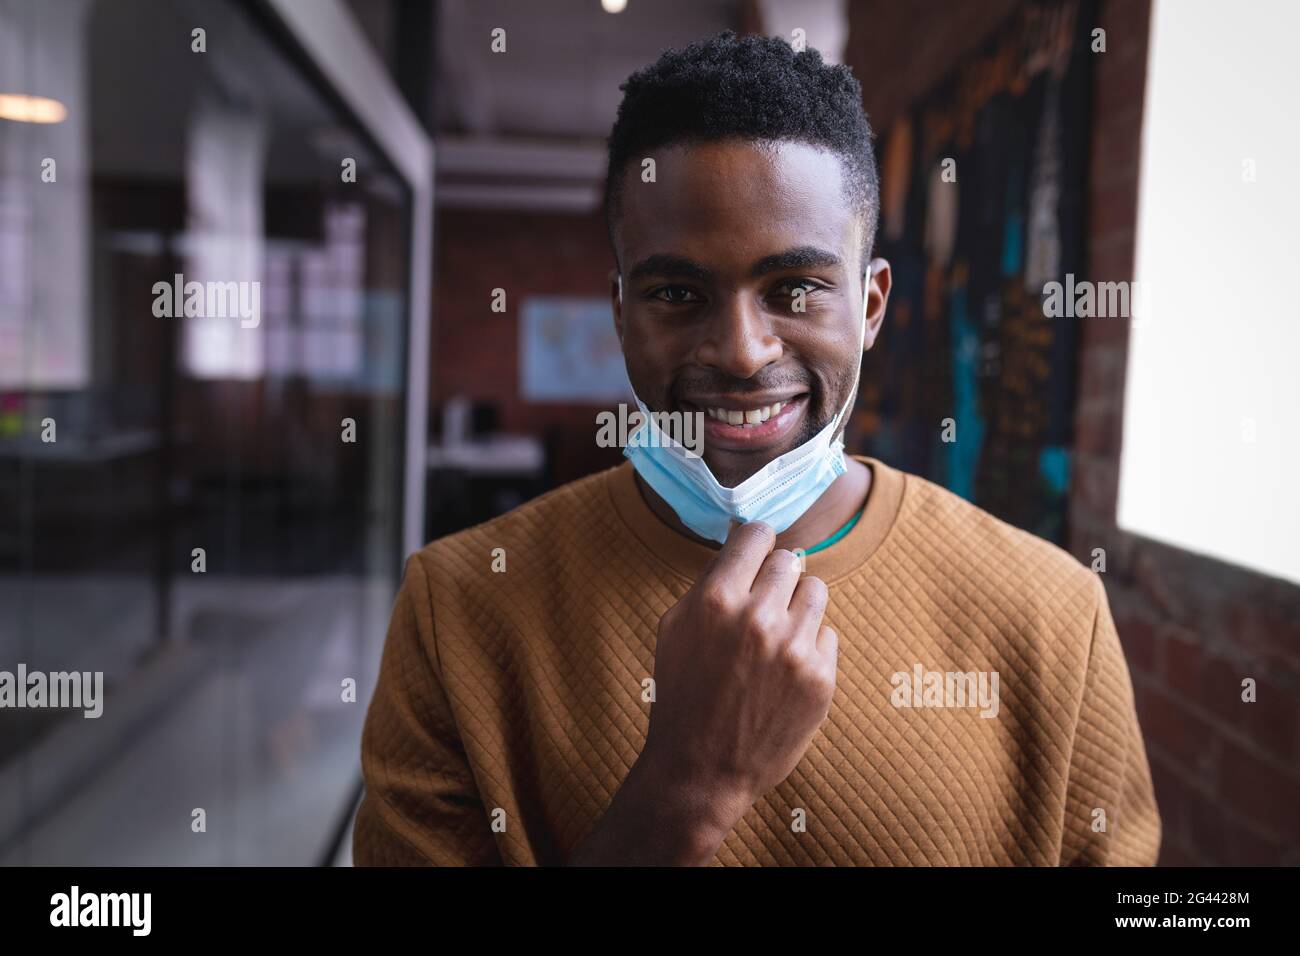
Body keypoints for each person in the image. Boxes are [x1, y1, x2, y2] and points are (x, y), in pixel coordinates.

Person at [353, 30, 1160, 866]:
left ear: (872, 305)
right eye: (676, 292)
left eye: (795, 289)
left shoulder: (1054, 615)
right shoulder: (457, 610)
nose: (741, 351)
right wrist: (687, 788)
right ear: (621, 311)